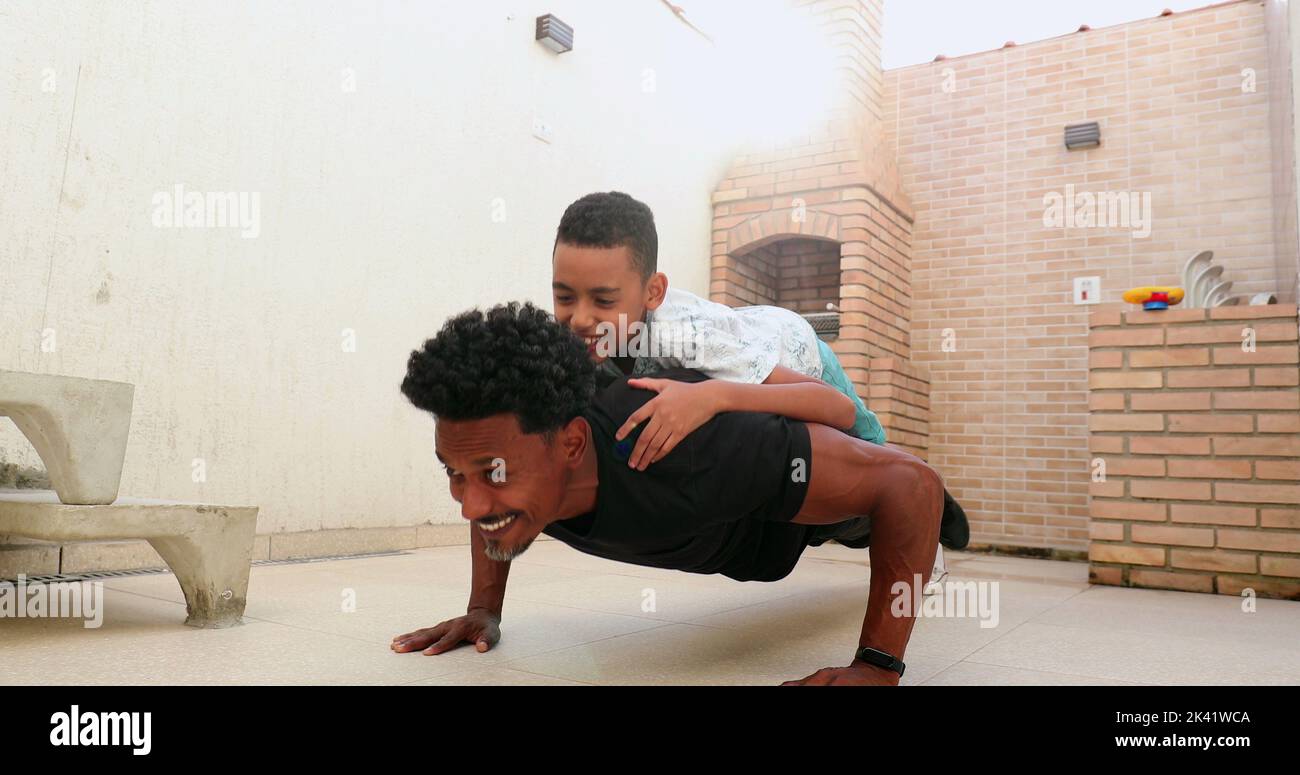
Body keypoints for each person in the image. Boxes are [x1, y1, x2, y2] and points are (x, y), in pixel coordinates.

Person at [391, 302, 943, 685]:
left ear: (573, 445)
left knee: (887, 504)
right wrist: (483, 608)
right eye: (453, 473)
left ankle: (936, 529)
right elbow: (485, 497)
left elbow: (912, 484)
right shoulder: (522, 454)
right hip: (735, 517)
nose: (469, 504)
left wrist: (877, 666)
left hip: (793, 516)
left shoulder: (688, 445)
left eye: (492, 473)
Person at [549, 191, 967, 582]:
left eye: (603, 301)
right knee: (830, 512)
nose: (579, 319)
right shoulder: (584, 341)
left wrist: (714, 396)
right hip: (747, 343)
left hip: (798, 353)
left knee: (875, 462)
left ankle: (932, 515)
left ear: (653, 292)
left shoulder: (688, 337)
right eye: (565, 297)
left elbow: (836, 407)